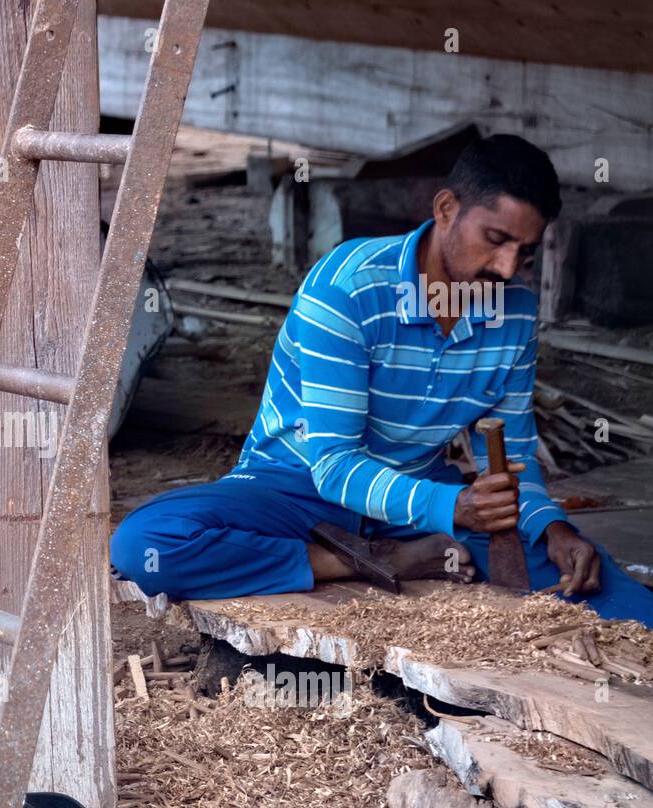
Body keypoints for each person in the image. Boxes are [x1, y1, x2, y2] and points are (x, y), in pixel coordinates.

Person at [111, 135, 653, 627]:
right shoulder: (348, 289)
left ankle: (404, 550)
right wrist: (452, 510)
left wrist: (553, 528)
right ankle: (351, 561)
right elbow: (334, 467)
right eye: (495, 238)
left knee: (609, 589)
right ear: (446, 209)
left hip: (419, 502)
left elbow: (513, 463)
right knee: (146, 543)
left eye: (526, 251)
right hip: (296, 492)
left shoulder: (513, 314)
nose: (508, 268)